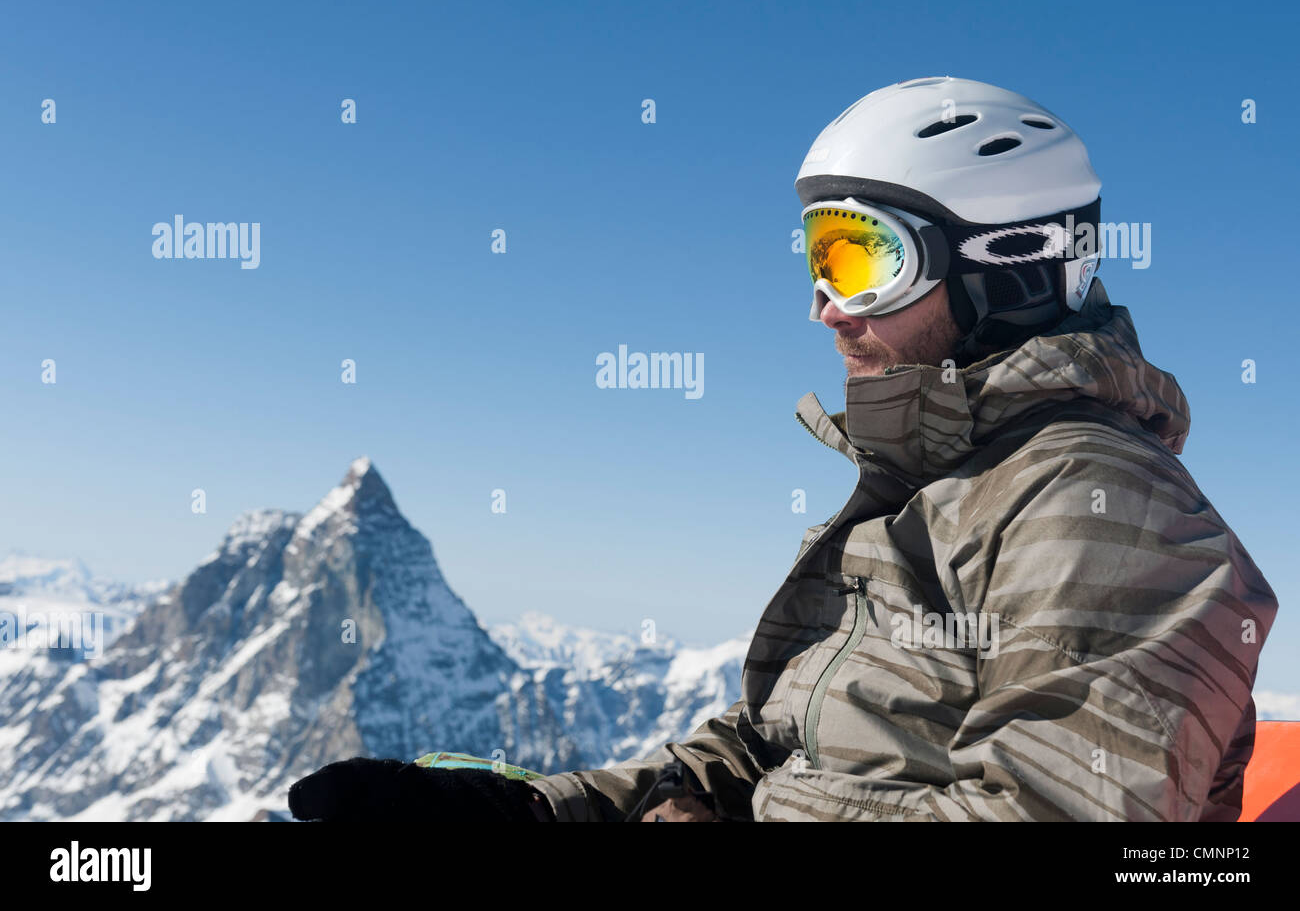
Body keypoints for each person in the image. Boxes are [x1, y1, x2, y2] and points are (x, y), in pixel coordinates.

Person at [288, 77, 1278, 822]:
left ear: (1008, 265)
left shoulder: (1104, 508)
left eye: (861, 258)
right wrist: (547, 810)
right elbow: (777, 744)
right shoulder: (927, 494)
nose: (822, 305)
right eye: (817, 256)